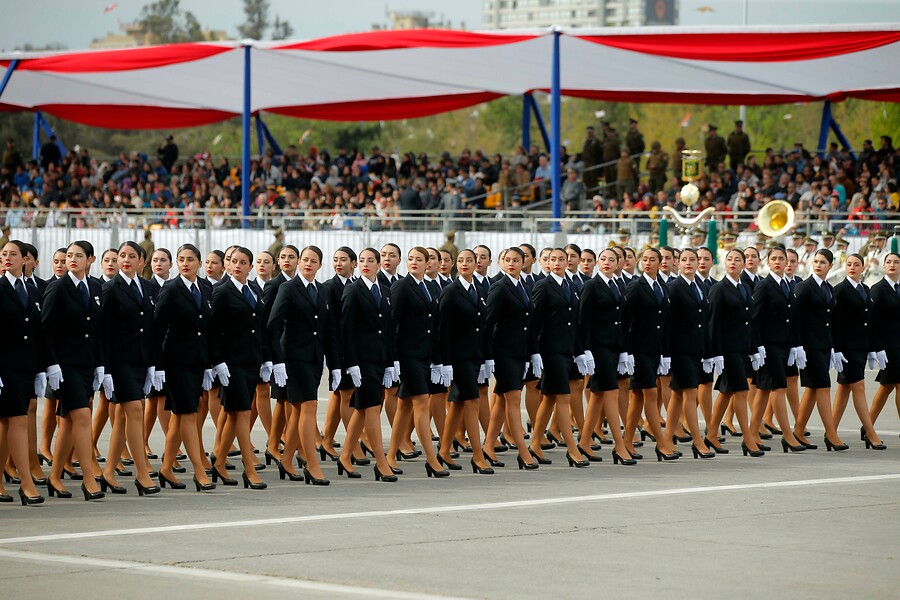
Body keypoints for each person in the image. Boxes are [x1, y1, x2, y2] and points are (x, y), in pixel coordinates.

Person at [267, 245, 340, 485]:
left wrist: (335, 363)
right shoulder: (288, 288)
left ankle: (287, 460)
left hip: (314, 358)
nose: (308, 263)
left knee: (298, 410)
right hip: (293, 358)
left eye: (314, 260)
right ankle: (311, 462)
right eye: (305, 259)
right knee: (308, 406)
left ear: (320, 265)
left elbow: (329, 329)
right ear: (299, 263)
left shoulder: (323, 290)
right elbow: (274, 324)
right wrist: (277, 360)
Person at [42, 240, 106, 500]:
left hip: (87, 364)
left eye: (79, 256)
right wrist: (51, 364)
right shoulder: (57, 288)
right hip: (65, 365)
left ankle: (55, 477)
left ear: (90, 259)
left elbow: (99, 329)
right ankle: (89, 479)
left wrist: (101, 364)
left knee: (68, 423)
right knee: (82, 416)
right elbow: (45, 329)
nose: (72, 259)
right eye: (69, 255)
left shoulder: (95, 287)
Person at [152, 244, 216, 492]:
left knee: (180, 416)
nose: (185, 263)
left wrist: (210, 363)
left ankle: (167, 468)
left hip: (198, 361)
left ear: (199, 263)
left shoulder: (205, 287)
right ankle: (199, 470)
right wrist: (156, 366)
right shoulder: (171, 289)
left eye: (190, 259)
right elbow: (158, 329)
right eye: (181, 259)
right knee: (188, 413)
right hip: (176, 362)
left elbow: (207, 328)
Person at [208, 246, 271, 490]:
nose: (237, 266)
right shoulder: (221, 292)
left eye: (242, 262)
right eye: (233, 261)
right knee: (242, 413)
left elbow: (260, 326)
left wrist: (266, 358)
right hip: (231, 363)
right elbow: (213, 331)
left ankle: (219, 461)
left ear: (250, 266)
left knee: (236, 416)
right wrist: (217, 362)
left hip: (251, 360)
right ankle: (249, 469)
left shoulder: (253, 289)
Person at [336, 248, 398, 482]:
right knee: (372, 407)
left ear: (379, 265)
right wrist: (351, 363)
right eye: (362, 260)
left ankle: (344, 456)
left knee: (362, 410)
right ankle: (381, 462)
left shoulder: (384, 290)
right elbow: (346, 329)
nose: (365, 264)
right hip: (362, 361)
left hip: (380, 358)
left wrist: (391, 363)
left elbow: (388, 330)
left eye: (370, 260)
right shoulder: (353, 289)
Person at [385, 247, 447, 477]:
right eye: (411, 259)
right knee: (422, 402)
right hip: (407, 355)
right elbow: (392, 324)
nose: (414, 262)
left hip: (424, 354)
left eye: (419, 259)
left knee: (404, 406)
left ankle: (390, 456)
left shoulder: (429, 287)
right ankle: (432, 458)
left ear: (428, 263)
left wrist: (438, 360)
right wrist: (394, 359)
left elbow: (434, 325)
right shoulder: (402, 286)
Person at [528, 248, 593, 468]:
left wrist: (581, 350)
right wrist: (534, 352)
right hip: (550, 350)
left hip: (568, 350)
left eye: (561, 259)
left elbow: (576, 322)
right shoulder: (543, 286)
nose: (556, 263)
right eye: (552, 259)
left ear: (568, 262)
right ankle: (572, 449)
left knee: (549, 398)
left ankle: (535, 443)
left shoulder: (572, 286)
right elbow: (534, 322)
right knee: (563, 398)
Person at [436, 248, 496, 474]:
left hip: (474, 356)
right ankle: (478, 455)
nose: (465, 264)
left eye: (469, 260)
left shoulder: (480, 290)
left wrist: (486, 357)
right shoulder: (450, 291)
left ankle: (443, 450)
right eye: (460, 260)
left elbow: (485, 327)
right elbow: (443, 330)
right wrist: (445, 362)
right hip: (457, 357)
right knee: (472, 402)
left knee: (459, 403)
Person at [578, 248, 636, 465]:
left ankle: (584, 441)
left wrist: (624, 350)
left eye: (612, 260)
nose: (607, 263)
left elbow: (621, 321)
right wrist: (585, 350)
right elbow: (582, 320)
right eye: (603, 259)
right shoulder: (591, 286)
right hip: (597, 348)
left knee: (598, 395)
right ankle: (619, 446)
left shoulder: (617, 285)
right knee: (610, 393)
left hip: (613, 347)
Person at [0, 241, 46, 505]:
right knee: (16, 420)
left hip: (26, 365)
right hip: (5, 367)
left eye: (13, 254)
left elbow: (38, 332)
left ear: (25, 259)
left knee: (6, 425)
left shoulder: (31, 288)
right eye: (4, 254)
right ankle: (26, 483)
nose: (7, 258)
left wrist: (41, 368)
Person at [705, 248, 763, 458]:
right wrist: (716, 353)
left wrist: (755, 349)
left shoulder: (745, 288)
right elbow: (713, 323)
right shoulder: (719, 289)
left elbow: (750, 322)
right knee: (741, 391)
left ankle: (711, 434)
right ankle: (748, 438)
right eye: (730, 259)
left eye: (738, 260)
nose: (733, 263)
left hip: (741, 348)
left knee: (727, 392)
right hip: (727, 350)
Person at [749, 246, 807, 454]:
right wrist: (757, 346)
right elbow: (754, 319)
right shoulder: (764, 285)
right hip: (769, 346)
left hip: (784, 345)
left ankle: (752, 433)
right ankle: (788, 436)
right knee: (778, 388)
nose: (778, 262)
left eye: (782, 259)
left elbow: (793, 319)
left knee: (764, 390)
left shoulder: (788, 285)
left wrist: (796, 344)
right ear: (767, 261)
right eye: (773, 258)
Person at [792, 249, 847, 451]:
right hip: (808, 347)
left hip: (823, 346)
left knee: (813, 389)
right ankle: (831, 434)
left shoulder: (828, 288)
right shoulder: (804, 287)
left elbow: (829, 321)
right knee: (823, 387)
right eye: (815, 261)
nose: (818, 265)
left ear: (830, 266)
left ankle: (798, 431)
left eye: (823, 262)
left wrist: (833, 347)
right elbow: (795, 319)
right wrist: (797, 346)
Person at [663, 248, 715, 459]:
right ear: (678, 263)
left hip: (696, 349)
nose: (688, 263)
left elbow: (704, 321)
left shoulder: (700, 286)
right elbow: (667, 323)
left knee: (677, 394)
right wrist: (666, 353)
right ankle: (698, 441)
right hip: (680, 349)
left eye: (692, 260)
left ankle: (666, 439)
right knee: (691, 393)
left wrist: (709, 351)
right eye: (683, 260)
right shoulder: (673, 287)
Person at [830, 254, 885, 449]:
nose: (852, 268)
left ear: (863, 268)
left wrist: (873, 348)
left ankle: (831, 431)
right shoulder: (840, 290)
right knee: (859, 388)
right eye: (849, 264)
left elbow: (869, 321)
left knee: (844, 389)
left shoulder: (865, 289)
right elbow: (834, 323)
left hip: (860, 347)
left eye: (856, 265)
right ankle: (870, 433)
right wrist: (835, 349)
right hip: (847, 349)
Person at [319, 247, 356, 462]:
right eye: (335, 260)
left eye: (344, 260)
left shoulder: (354, 285)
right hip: (337, 347)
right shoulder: (329, 287)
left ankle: (327, 439)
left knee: (339, 393)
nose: (339, 263)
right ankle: (356, 442)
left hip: (351, 346)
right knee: (346, 394)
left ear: (353, 263)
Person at [868, 252, 900, 435]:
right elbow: (872, 321)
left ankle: (868, 425)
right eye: (889, 262)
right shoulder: (878, 289)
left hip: (898, 343)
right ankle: (868, 425)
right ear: (883, 266)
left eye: (896, 262)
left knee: (887, 386)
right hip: (887, 346)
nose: (892, 265)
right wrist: (876, 347)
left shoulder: (899, 287)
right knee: (896, 385)